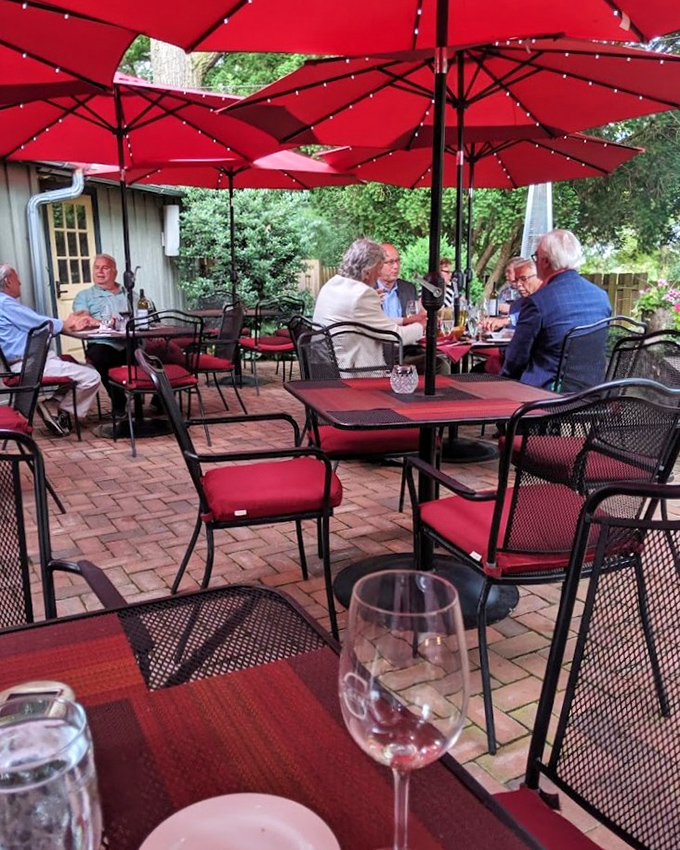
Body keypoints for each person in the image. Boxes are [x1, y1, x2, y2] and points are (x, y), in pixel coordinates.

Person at [502, 230, 612, 388]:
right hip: (591, 394)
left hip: (544, 399)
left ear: (545, 262)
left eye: (536, 257)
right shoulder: (602, 297)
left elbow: (515, 360)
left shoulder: (538, 302)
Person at [0, 264, 101, 433]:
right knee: (92, 376)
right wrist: (67, 323)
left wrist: (67, 324)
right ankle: (55, 407)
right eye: (17, 280)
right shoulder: (5, 305)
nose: (21, 284)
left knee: (85, 369)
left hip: (27, 362)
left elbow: (38, 323)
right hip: (29, 365)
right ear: (8, 281)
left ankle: (53, 406)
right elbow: (40, 324)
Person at [313, 239, 425, 371]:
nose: (378, 274)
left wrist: (406, 320)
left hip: (326, 368)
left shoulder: (332, 284)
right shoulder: (362, 294)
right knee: (432, 365)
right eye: (379, 268)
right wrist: (422, 325)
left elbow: (368, 322)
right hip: (355, 371)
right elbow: (395, 336)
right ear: (367, 271)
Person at [72, 254, 133, 415]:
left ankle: (160, 399)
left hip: (131, 343)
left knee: (163, 350)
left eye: (105, 268)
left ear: (114, 272)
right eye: (96, 268)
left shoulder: (129, 294)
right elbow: (81, 317)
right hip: (104, 344)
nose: (99, 272)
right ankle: (119, 401)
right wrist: (99, 322)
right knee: (100, 357)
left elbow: (145, 314)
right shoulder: (84, 296)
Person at [482, 259, 541, 332]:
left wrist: (506, 321)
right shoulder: (517, 303)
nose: (518, 284)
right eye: (516, 280)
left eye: (523, 279)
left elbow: (535, 315)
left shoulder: (545, 298)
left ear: (538, 277)